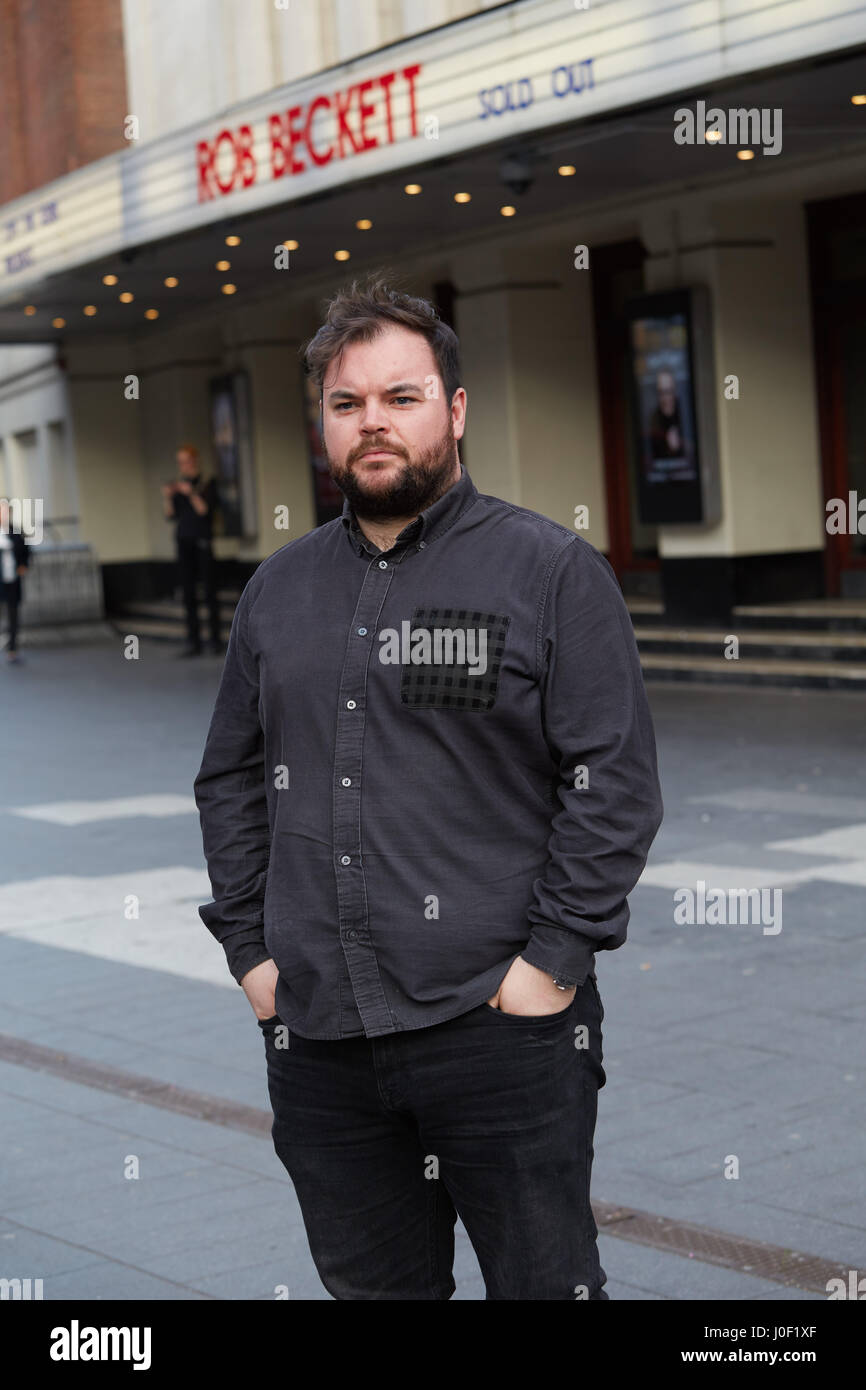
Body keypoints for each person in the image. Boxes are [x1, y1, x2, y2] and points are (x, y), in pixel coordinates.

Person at [194, 275, 664, 1300]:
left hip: (498, 1032)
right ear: (322, 422)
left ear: (453, 410)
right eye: (347, 402)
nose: (373, 423)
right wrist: (251, 953)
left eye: (400, 397)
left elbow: (613, 784)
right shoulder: (277, 590)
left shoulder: (546, 571)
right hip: (322, 1042)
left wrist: (544, 969)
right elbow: (229, 776)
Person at [161, 445, 222, 656]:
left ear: (194, 461)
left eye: (186, 460)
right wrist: (168, 496)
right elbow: (170, 515)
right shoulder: (179, 485)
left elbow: (205, 510)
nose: (183, 465)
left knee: (209, 589)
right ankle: (192, 641)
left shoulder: (207, 483)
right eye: (180, 461)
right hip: (183, 540)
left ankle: (215, 640)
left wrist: (192, 493)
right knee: (188, 591)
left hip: (202, 540)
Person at [0, 498, 30, 663]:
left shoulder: (16, 532)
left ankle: (12, 648)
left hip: (12, 579)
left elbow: (26, 551)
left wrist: (23, 566)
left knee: (13, 613)